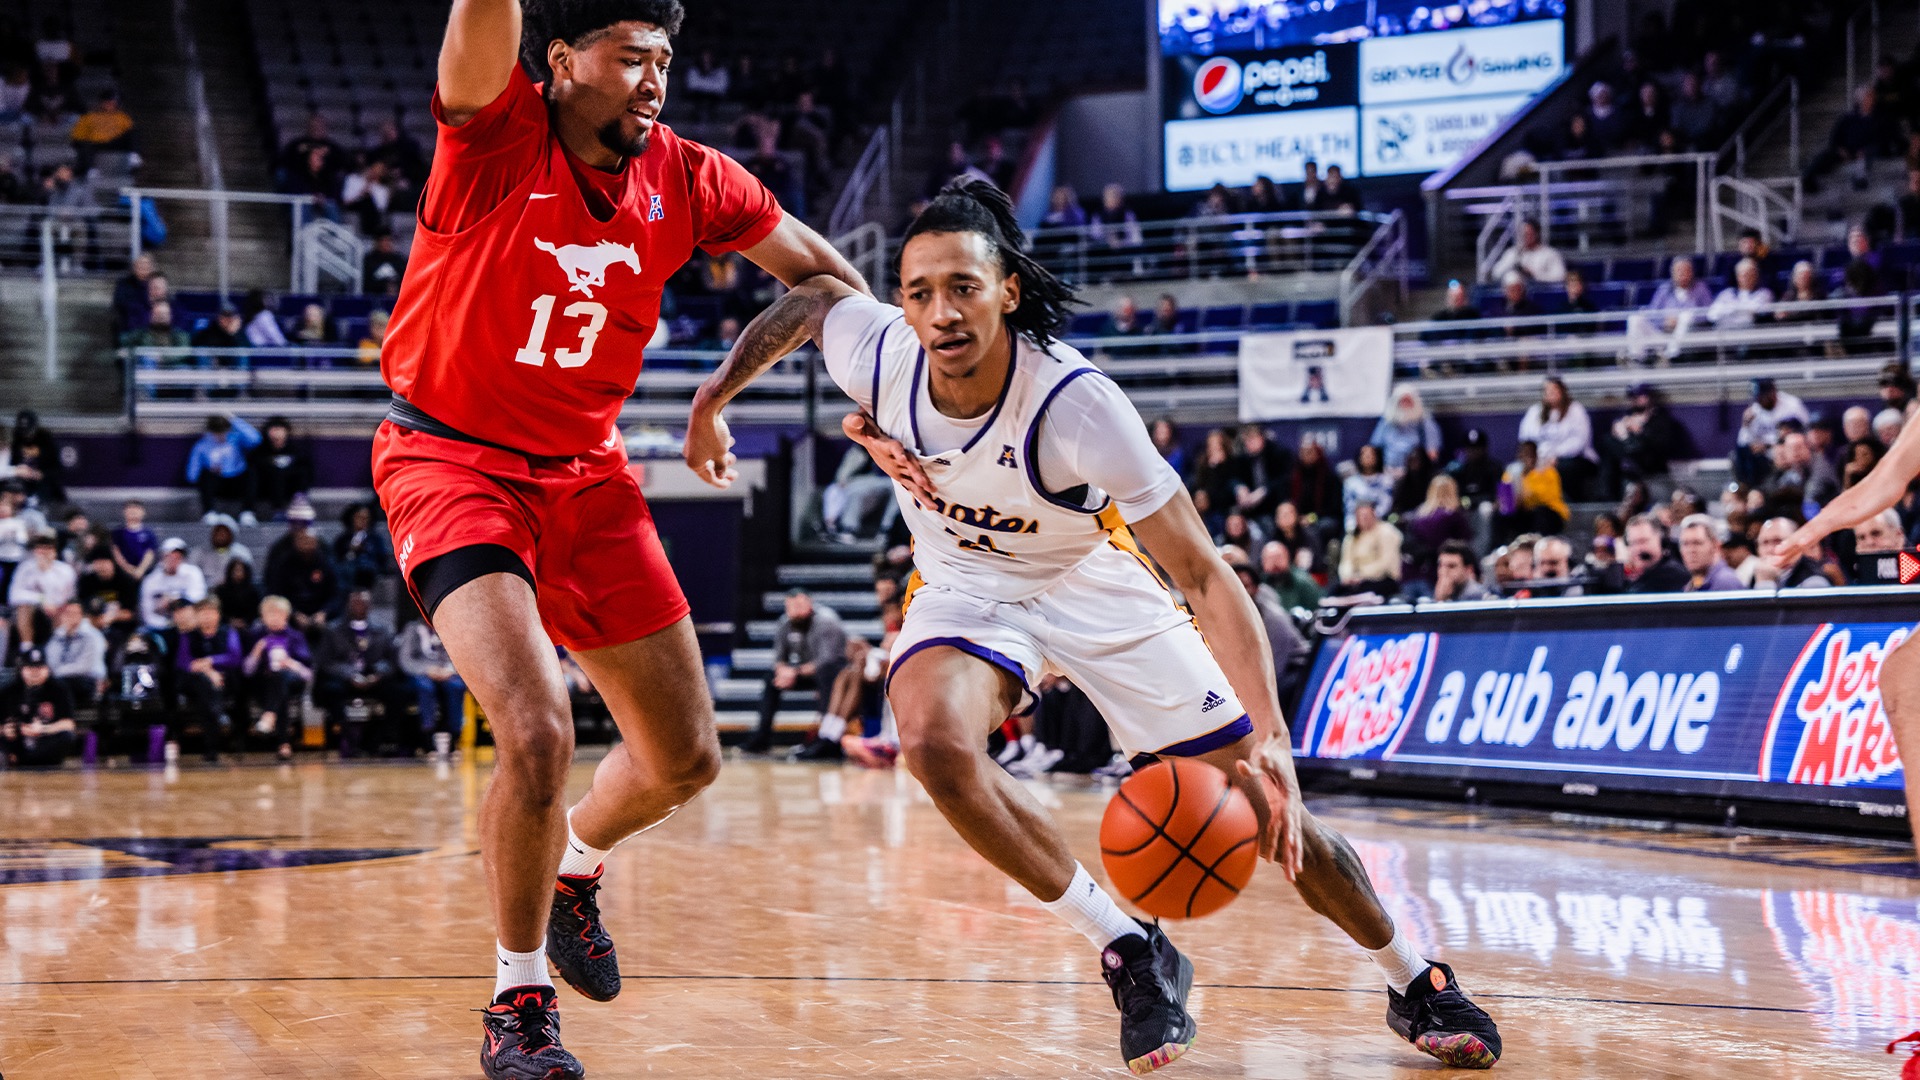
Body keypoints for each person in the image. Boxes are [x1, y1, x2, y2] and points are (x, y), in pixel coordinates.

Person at [683, 177, 1502, 1072]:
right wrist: (712, 399)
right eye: (919, 292)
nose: (941, 311)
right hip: (966, 586)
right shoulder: (881, 354)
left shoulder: (1075, 403)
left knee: (1269, 806)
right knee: (932, 744)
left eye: (963, 287)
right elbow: (811, 299)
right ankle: (1128, 948)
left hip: (1094, 585)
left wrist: (1273, 736)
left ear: (1008, 291)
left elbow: (1203, 572)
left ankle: (1413, 978)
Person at [371, 4, 869, 1069]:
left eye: (665, 60)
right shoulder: (496, 135)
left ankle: (575, 870)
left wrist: (718, 394)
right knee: (537, 731)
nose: (655, 79)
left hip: (588, 475)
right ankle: (517, 1002)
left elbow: (834, 285)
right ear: (559, 61)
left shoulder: (689, 175)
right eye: (632, 56)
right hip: (451, 461)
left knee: (686, 759)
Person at [746, 588, 846, 753]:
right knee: (771, 679)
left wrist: (795, 672)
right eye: (791, 607)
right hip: (803, 671)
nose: (795, 611)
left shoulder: (826, 621)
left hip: (835, 674)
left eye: (799, 606)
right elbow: (778, 658)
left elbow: (827, 661)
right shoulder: (785, 623)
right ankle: (761, 738)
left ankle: (825, 739)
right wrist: (783, 671)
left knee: (825, 675)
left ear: (810, 604)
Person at [244, 595, 312, 760]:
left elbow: (308, 674)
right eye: (270, 614)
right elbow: (247, 671)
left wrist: (291, 664)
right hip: (264, 685)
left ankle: (269, 716)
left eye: (278, 614)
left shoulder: (296, 636)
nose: (274, 618)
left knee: (281, 679)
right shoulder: (255, 635)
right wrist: (256, 653)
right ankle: (284, 744)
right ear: (263, 617)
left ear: (286, 616)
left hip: (292, 682)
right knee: (279, 690)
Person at [176, 598, 243, 760]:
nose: (206, 617)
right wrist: (209, 672)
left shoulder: (228, 632)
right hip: (195, 682)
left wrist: (210, 661)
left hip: (225, 681)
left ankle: (211, 748)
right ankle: (219, 715)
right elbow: (184, 662)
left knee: (208, 694)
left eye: (210, 612)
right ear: (196, 616)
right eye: (202, 613)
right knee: (204, 685)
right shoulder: (188, 635)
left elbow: (235, 657)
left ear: (218, 615)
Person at [1517, 377, 1596, 498]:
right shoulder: (1535, 411)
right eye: (1547, 391)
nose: (1550, 394)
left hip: (1574, 458)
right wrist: (1539, 457)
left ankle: (1569, 500)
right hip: (1540, 459)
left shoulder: (1576, 410)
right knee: (1519, 469)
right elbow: (1525, 438)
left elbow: (1579, 441)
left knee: (1566, 467)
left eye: (1554, 390)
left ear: (1562, 391)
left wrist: (1556, 455)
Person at [399, 617, 468, 755]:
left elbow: (461, 654)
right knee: (426, 688)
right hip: (421, 673)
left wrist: (450, 670)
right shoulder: (412, 629)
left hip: (446, 671)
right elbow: (405, 659)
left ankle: (455, 737)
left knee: (457, 686)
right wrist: (427, 670)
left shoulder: (450, 626)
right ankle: (428, 739)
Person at [1600, 383, 1679, 499]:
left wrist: (1639, 431)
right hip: (1629, 468)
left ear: (1649, 397)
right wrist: (1621, 433)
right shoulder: (1625, 418)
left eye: (1640, 396)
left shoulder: (1660, 420)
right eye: (1633, 397)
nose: (1636, 400)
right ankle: (1605, 497)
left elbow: (1660, 448)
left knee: (1631, 447)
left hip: (1652, 468)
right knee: (1608, 441)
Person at [1, 648, 77, 768]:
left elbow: (69, 724)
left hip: (45, 740)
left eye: (39, 668)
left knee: (67, 737)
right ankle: (15, 758)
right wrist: (5, 730)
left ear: (47, 669)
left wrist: (43, 729)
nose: (35, 672)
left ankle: (26, 761)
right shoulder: (8, 690)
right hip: (18, 742)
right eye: (30, 668)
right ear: (21, 669)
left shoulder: (59, 688)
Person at [1627, 256, 1712, 361]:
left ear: (1691, 272)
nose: (1681, 273)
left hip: (1688, 336)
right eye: (1678, 270)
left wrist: (1679, 320)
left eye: (1685, 270)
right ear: (1672, 273)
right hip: (1662, 334)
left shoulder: (1701, 289)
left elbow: (1709, 314)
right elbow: (1652, 314)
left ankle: (1670, 356)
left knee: (1686, 316)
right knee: (1635, 319)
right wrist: (1664, 321)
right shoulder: (1664, 289)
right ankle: (1636, 357)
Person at [1733, 378, 1810, 487]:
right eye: (1757, 397)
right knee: (1740, 453)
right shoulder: (1755, 409)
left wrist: (1769, 445)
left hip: (1788, 451)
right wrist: (1745, 426)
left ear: (1772, 393)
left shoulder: (1792, 405)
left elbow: (1806, 433)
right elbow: (1743, 442)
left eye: (1762, 397)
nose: (1759, 400)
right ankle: (1748, 489)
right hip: (1765, 456)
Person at [185, 414, 262, 522]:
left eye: (224, 432)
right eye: (217, 433)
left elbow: (256, 439)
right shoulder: (202, 446)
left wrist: (234, 420)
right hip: (218, 484)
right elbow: (191, 476)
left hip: (237, 481)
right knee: (206, 475)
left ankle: (247, 513)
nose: (221, 436)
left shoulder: (235, 440)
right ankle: (209, 513)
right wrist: (209, 468)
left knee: (251, 472)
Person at [45, 600, 107, 707]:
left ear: (82, 616)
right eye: (68, 613)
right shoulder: (57, 636)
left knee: (64, 684)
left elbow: (84, 667)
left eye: (75, 613)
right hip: (62, 679)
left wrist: (58, 673)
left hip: (88, 679)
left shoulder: (91, 636)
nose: (72, 616)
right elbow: (51, 661)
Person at [248, 416, 313, 517]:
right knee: (271, 474)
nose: (277, 434)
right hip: (266, 488)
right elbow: (254, 467)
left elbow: (307, 470)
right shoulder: (260, 451)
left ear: (286, 431)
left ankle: (299, 503)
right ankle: (250, 511)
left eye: (279, 429)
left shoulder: (295, 450)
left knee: (301, 472)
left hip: (289, 488)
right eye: (274, 429)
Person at [1370, 386, 1440, 475]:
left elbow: (1432, 450)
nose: (1405, 404)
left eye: (1408, 401)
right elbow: (1375, 445)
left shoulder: (1424, 421)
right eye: (1402, 401)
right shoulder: (1386, 421)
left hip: (1414, 471)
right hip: (1388, 468)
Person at [139, 538, 208, 629]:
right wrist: (168, 625)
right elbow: (146, 613)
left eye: (178, 557)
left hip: (189, 624)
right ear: (162, 557)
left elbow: (199, 599)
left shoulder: (193, 573)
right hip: (159, 626)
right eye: (169, 556)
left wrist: (174, 599)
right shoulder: (150, 580)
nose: (173, 560)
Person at [9, 532, 76, 611]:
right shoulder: (25, 568)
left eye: (48, 548)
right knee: (24, 607)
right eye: (40, 548)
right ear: (35, 551)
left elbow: (65, 597)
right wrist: (41, 599)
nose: (44, 552)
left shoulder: (65, 570)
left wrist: (46, 571)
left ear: (55, 552)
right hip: (33, 607)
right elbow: (14, 596)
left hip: (57, 609)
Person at [1623, 513, 1688, 593]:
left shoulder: (1672, 575)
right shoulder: (1637, 578)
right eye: (1632, 543)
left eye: (1643, 541)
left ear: (1661, 541)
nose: (1637, 549)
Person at [1675, 514, 1742, 591]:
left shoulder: (1726, 582)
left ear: (1715, 546)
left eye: (1697, 543)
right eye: (1685, 544)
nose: (1691, 550)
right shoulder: (1695, 582)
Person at [1489, 218, 1566, 283]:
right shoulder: (1513, 253)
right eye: (1522, 234)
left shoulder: (1550, 253)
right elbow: (1496, 274)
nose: (1525, 237)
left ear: (1537, 234)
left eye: (1528, 234)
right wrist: (1513, 263)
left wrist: (1534, 275)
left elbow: (1560, 277)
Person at [1706, 258, 1774, 329]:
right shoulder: (1726, 294)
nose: (1747, 278)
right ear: (1737, 277)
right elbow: (1712, 315)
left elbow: (1753, 316)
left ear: (1756, 276)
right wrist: (1740, 310)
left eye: (1751, 275)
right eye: (1744, 275)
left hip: (1751, 332)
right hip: (1725, 332)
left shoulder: (1765, 293)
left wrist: (1730, 310)